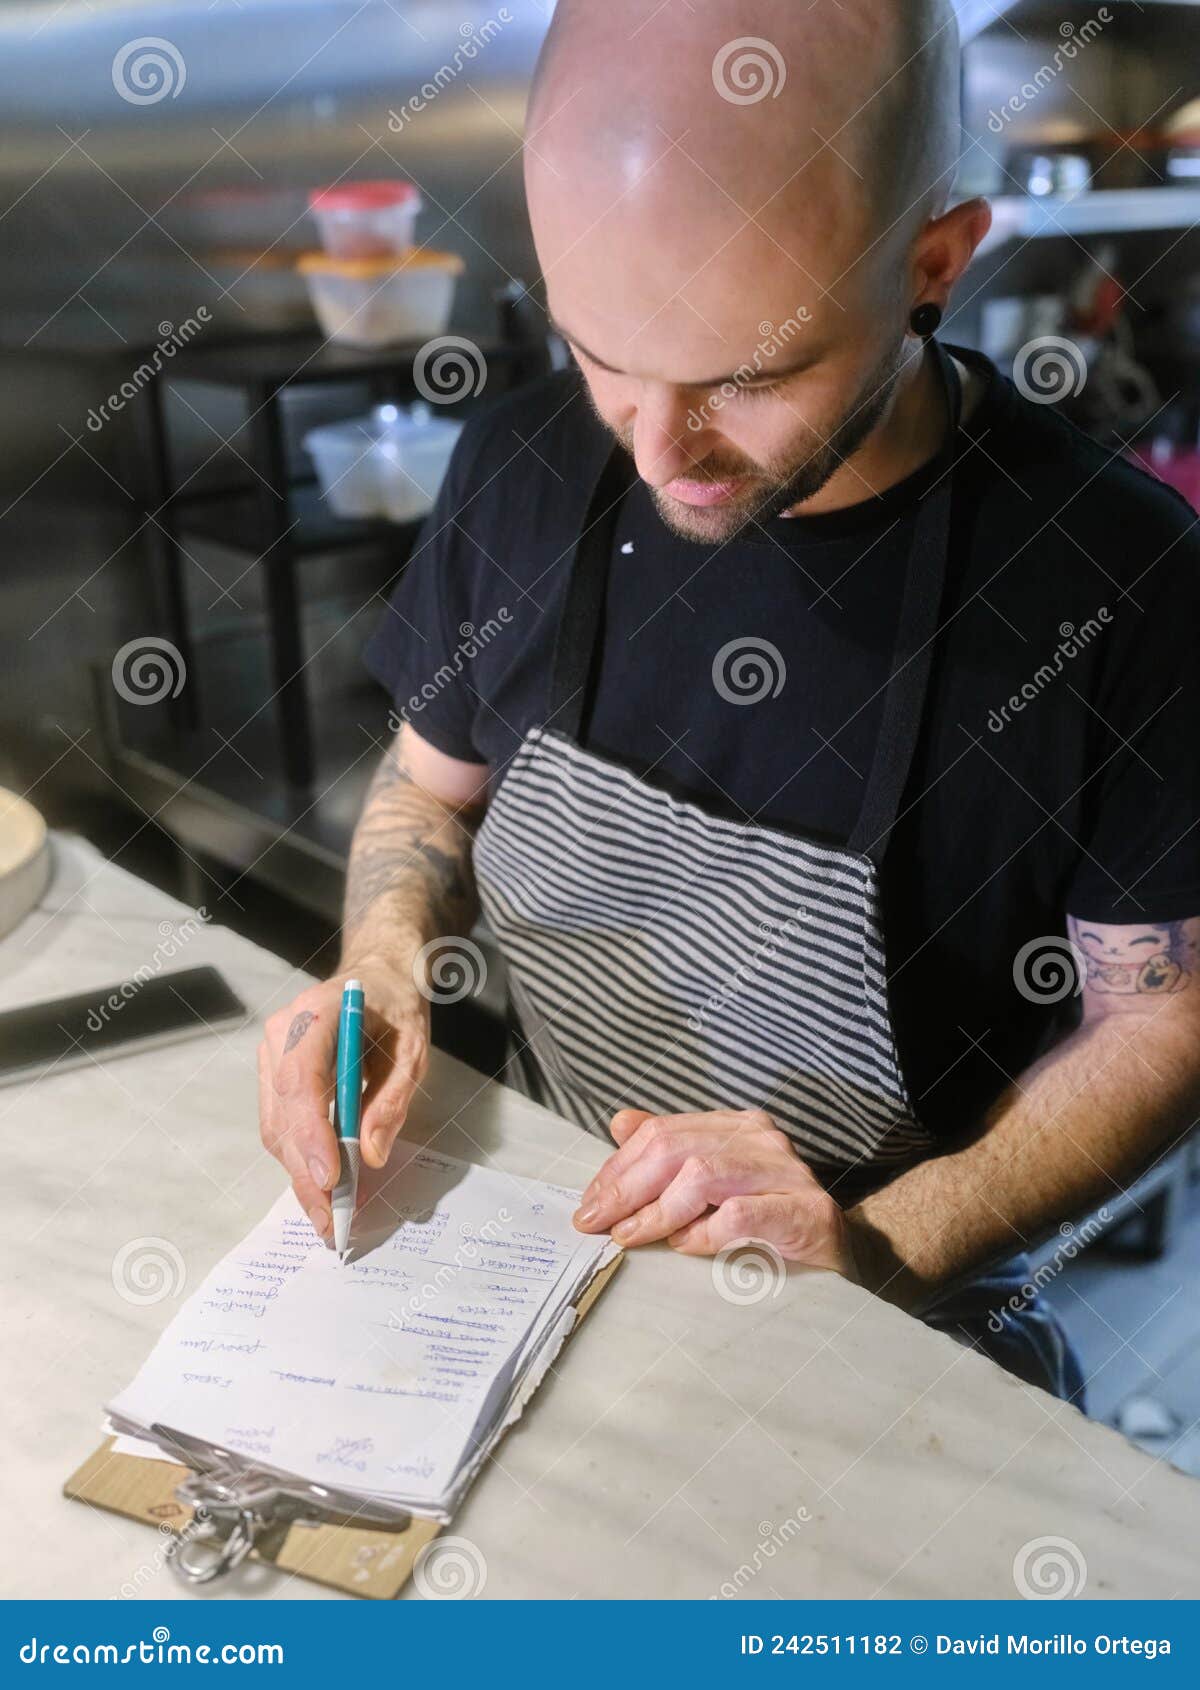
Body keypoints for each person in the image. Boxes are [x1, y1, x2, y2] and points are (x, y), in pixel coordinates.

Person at [258, 0, 1200, 1401]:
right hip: (548, 1281)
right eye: (604, 357)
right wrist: (384, 956)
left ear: (934, 262)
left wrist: (876, 1240)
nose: (658, 450)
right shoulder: (520, 464)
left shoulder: (1116, 581)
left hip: (902, 1343)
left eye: (748, 378)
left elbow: (1162, 1019)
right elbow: (425, 791)